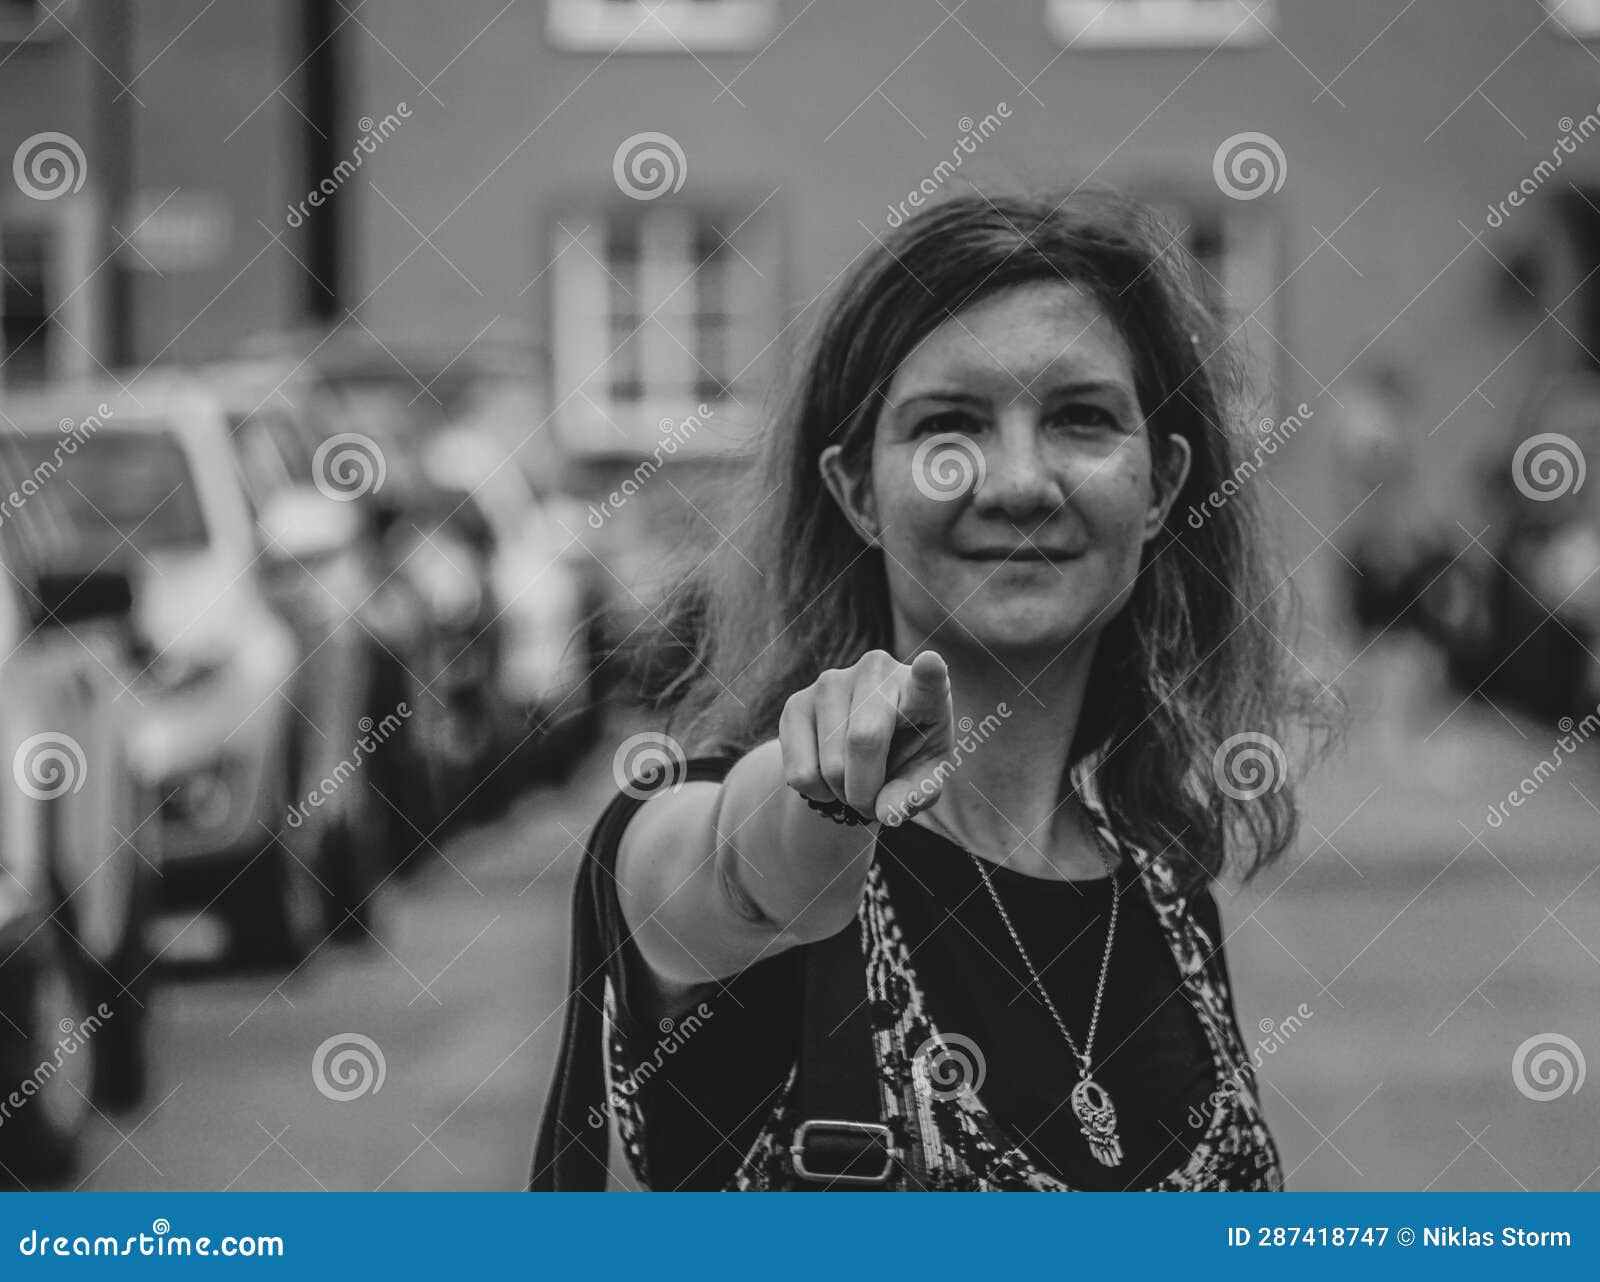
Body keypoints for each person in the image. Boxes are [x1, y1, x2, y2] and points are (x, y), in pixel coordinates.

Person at [532, 187, 1329, 1192]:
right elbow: (738, 876)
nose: (1019, 482)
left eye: (1081, 419)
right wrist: (818, 797)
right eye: (950, 426)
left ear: (1162, 484)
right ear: (858, 490)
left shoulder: (1168, 900)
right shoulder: (708, 834)